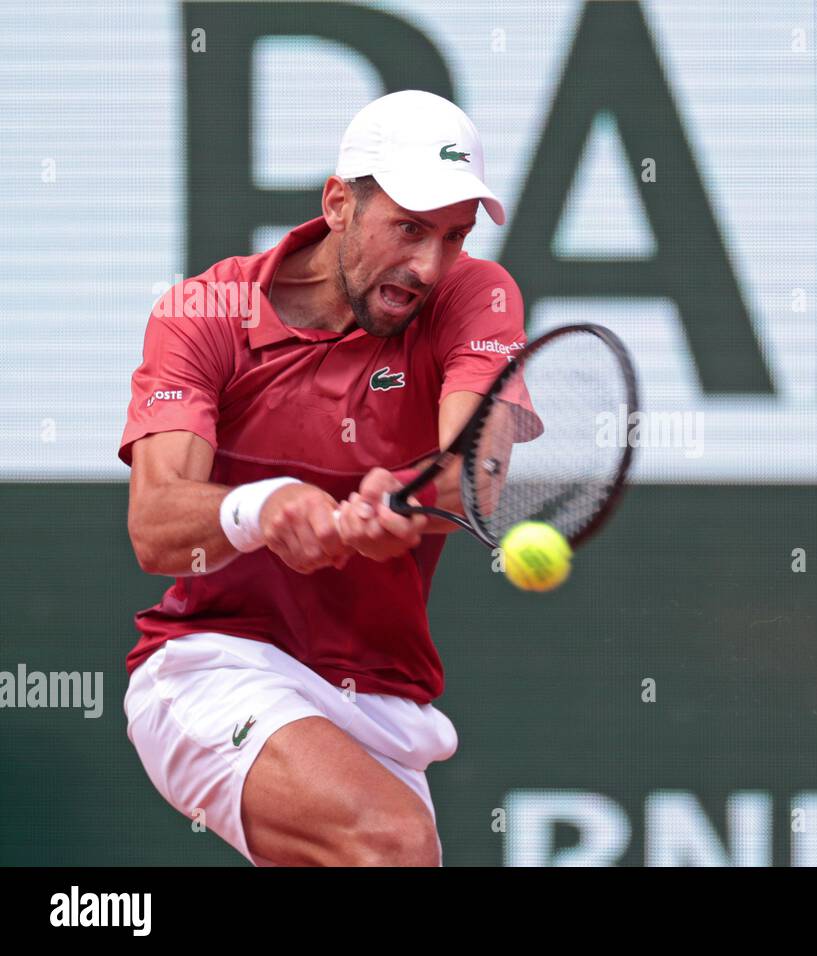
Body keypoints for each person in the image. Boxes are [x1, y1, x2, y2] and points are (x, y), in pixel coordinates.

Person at [120, 90, 522, 866]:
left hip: (383, 698)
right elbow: (157, 525)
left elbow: (479, 464)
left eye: (453, 237)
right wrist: (261, 509)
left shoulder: (477, 295)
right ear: (339, 203)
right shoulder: (207, 311)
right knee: (391, 843)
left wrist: (402, 500)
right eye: (408, 228)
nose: (429, 265)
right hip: (215, 662)